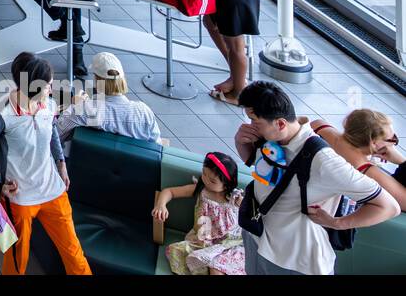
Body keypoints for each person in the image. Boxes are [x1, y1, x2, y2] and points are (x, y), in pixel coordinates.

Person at [233, 80, 399, 275]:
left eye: (256, 122)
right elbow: (261, 170)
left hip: (296, 261)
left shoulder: (325, 161)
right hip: (257, 237)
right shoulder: (270, 137)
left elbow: (389, 207)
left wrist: (337, 223)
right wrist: (241, 143)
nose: (251, 126)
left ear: (280, 123)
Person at [0, 51, 91, 275]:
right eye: (48, 84)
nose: (51, 87)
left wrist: (60, 161)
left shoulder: (47, 104)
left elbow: (52, 132)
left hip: (53, 191)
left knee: (74, 254)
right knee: (18, 258)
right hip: (20, 198)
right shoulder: (5, 113)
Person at [152, 152, 246, 275]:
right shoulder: (200, 190)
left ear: (227, 184)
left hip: (229, 243)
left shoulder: (234, 198)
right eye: (204, 174)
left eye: (212, 181)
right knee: (175, 251)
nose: (205, 180)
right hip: (203, 243)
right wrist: (161, 205)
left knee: (216, 269)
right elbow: (169, 192)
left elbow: (253, 215)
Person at [307, 109, 406, 210]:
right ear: (374, 143)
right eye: (392, 139)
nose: (393, 143)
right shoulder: (366, 170)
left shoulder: (319, 126)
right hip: (319, 209)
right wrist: (402, 161)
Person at [57, 52, 161, 144]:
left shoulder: (84, 111)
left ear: (97, 80)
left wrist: (75, 105)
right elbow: (156, 144)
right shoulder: (144, 112)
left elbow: (56, 135)